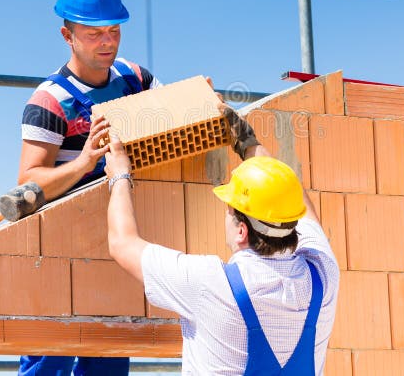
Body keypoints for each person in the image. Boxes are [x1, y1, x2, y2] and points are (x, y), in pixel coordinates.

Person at [104, 107, 340, 375]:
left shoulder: (209, 283)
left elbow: (122, 243)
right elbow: (292, 200)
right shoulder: (323, 274)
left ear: (242, 231)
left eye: (228, 209)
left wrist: (119, 174)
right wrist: (247, 142)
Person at [15, 0, 160, 376]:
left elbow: (172, 119)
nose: (108, 41)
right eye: (94, 33)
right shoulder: (50, 101)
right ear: (68, 35)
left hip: (115, 244)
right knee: (50, 361)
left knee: (108, 357)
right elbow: (28, 181)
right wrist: (83, 162)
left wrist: (199, 103)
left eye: (114, 30)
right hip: (60, 249)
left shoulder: (135, 80)